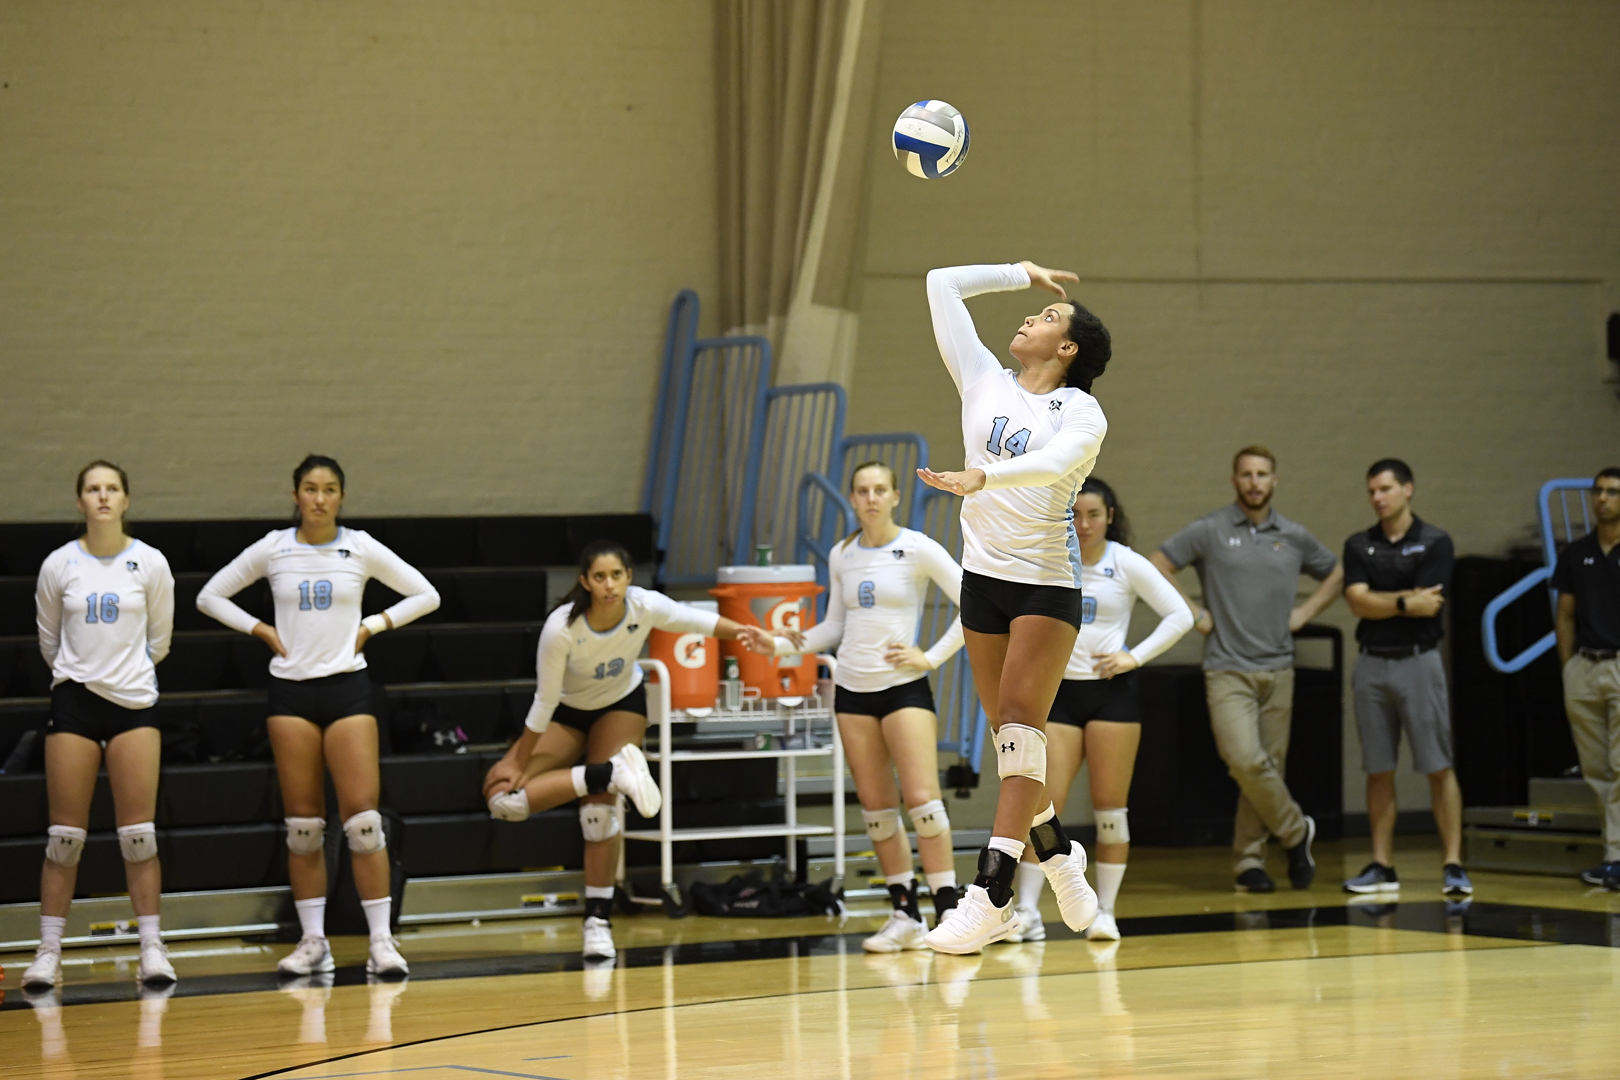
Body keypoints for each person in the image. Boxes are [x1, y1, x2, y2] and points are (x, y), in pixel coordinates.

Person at [913, 259, 1110, 953]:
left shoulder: (1082, 411)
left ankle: (992, 893)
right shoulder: (983, 379)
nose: (1031, 318)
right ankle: (1056, 854)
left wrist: (981, 475)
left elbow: (1055, 466)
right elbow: (941, 282)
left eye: (1050, 318)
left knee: (1024, 727)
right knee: (1011, 743)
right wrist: (1020, 273)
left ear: (1069, 351)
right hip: (983, 578)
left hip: (1044, 584)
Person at [197, 455, 440, 979]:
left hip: (348, 690)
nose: (320, 498)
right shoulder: (274, 548)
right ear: (295, 496)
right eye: (310, 488)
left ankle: (381, 942)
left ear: (341, 498)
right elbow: (209, 595)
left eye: (330, 489)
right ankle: (314, 942)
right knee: (304, 828)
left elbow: (427, 593)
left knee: (364, 823)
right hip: (290, 694)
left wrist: (375, 623)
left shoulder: (360, 546)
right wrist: (261, 629)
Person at [482, 540, 775, 962]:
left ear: (628, 578)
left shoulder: (643, 606)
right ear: (585, 581)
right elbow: (544, 702)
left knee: (599, 815)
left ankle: (597, 922)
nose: (609, 585)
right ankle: (609, 773)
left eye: (616, 575)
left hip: (620, 704)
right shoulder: (562, 627)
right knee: (502, 801)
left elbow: (697, 621)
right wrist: (516, 758)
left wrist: (749, 632)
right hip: (565, 712)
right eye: (599, 577)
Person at [773, 460, 967, 952]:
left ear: (897, 496)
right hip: (853, 692)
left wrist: (930, 657)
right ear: (853, 499)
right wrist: (783, 645)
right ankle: (905, 913)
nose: (871, 498)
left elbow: (977, 599)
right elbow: (833, 627)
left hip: (904, 689)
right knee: (878, 811)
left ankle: (950, 912)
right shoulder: (842, 553)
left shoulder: (918, 547)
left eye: (881, 489)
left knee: (924, 803)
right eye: (862, 491)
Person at [1150, 446, 1341, 892]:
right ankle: (1296, 831)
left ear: (1274, 481)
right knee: (1244, 759)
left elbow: (1336, 572)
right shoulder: (1211, 530)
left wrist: (1305, 613)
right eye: (1246, 474)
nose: (1255, 482)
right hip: (1227, 668)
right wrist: (1194, 613)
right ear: (1235, 480)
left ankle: (1249, 862)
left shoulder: (1292, 535)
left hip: (1280, 669)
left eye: (1263, 474)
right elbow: (1158, 564)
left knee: (1267, 767)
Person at [1012, 478, 1192, 943]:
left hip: (1113, 696)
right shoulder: (1051, 558)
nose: (1084, 523)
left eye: (1094, 514)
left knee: (1111, 809)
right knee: (1041, 807)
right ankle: (1029, 911)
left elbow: (1181, 615)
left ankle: (1106, 912)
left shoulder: (1125, 563)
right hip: (1061, 696)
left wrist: (1135, 655)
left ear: (1110, 516)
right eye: (1076, 514)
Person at [24, 461, 176, 989]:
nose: (103, 497)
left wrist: (123, 676)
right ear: (80, 502)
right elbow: (49, 640)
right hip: (75, 704)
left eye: (112, 488)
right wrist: (82, 675)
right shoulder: (59, 564)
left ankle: (152, 948)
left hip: (134, 704)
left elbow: (160, 640)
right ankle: (48, 952)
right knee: (65, 838)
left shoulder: (150, 562)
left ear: (126, 499)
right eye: (93, 489)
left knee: (139, 836)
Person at [1340, 458, 1471, 897]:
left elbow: (1430, 604)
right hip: (1372, 662)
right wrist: (1401, 602)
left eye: (1385, 489)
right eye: (1372, 491)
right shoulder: (1360, 544)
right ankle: (1382, 865)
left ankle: (1453, 864)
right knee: (1378, 768)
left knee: (1438, 765)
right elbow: (1356, 602)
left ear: (1408, 489)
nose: (1378, 498)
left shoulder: (1435, 541)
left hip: (1420, 661)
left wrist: (1383, 599)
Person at [1550, 468, 1620, 887]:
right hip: (1584, 667)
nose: (1603, 499)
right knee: (1596, 769)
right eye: (1598, 491)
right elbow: (1565, 614)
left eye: (1612, 492)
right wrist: (1567, 667)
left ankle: (1616, 855)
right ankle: (1612, 852)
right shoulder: (1576, 552)